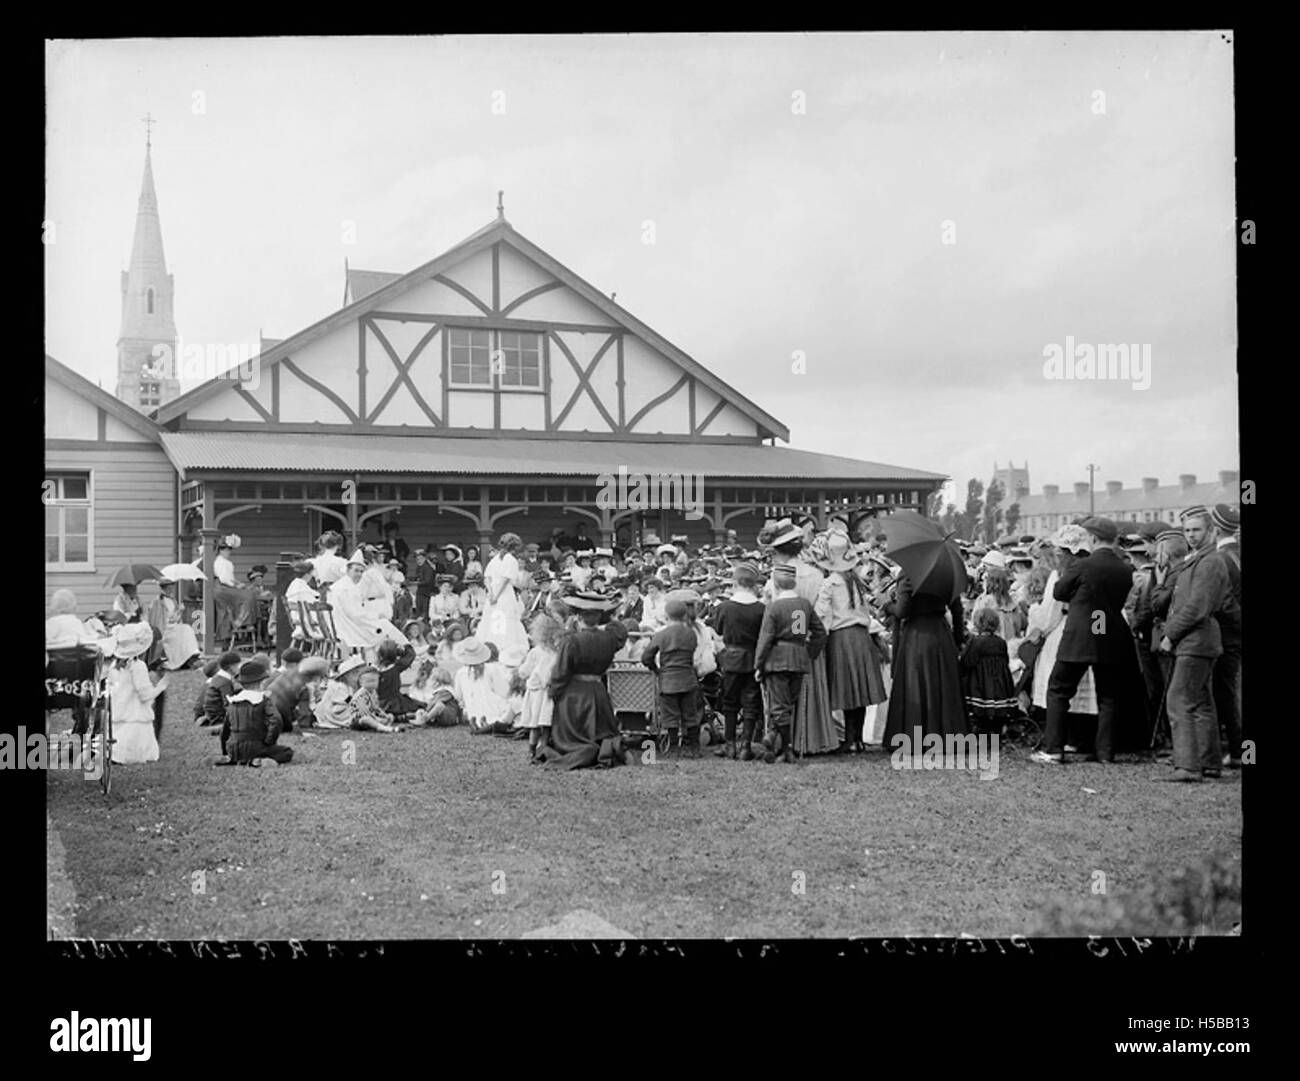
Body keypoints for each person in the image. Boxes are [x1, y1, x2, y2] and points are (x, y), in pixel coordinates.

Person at [1033, 517, 1138, 766]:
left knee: (1059, 689)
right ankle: (1105, 752)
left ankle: (1053, 748)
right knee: (1108, 695)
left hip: (1080, 634)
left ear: (1091, 538)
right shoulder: (1124, 569)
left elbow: (1059, 592)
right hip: (1107, 631)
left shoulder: (1083, 566)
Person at [1156, 506, 1231, 782]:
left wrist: (1170, 634)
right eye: (1187, 530)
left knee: (1179, 700)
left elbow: (1197, 607)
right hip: (1199, 640)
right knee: (1200, 702)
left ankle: (1188, 765)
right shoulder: (1199, 559)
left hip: (1195, 640)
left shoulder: (1210, 562)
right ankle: (1208, 762)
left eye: (1197, 529)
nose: (1191, 535)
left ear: (1211, 531)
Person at [763, 519, 838, 755]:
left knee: (781, 694)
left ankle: (781, 740)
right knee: (807, 689)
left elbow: (773, 610)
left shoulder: (778, 576)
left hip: (783, 643)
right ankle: (808, 739)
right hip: (808, 639)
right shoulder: (815, 574)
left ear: (777, 550)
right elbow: (821, 612)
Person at [810, 532, 888, 755]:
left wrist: (816, 638)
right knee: (859, 690)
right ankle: (858, 739)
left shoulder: (829, 584)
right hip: (861, 636)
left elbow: (823, 616)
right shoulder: (857, 582)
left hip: (841, 637)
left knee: (846, 689)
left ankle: (850, 739)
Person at [536, 592, 629, 770]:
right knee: (602, 731)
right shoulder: (608, 638)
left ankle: (580, 751)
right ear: (599, 618)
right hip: (598, 692)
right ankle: (607, 749)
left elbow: (561, 672)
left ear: (578, 616)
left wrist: (554, 692)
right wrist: (608, 614)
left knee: (574, 736)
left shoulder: (571, 641)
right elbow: (620, 632)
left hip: (574, 695)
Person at [1025, 529, 1098, 749]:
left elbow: (1051, 613)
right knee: (1088, 685)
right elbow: (1101, 610)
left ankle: (1059, 741)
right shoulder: (1098, 571)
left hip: (1066, 631)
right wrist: (1099, 631)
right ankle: (1084, 739)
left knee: (1058, 686)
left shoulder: (1061, 575)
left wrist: (1035, 618)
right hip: (1091, 631)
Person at [879, 566, 968, 746]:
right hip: (941, 634)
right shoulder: (947, 571)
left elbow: (903, 610)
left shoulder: (909, 572)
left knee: (916, 686)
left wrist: (887, 605)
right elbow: (957, 609)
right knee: (942, 687)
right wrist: (957, 640)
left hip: (917, 636)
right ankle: (946, 738)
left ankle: (915, 739)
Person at [755, 563, 828, 764]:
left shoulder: (773, 607)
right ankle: (775, 739)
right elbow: (820, 634)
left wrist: (759, 665)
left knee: (778, 706)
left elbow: (765, 638)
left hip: (777, 659)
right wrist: (809, 654)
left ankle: (784, 747)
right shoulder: (805, 604)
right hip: (798, 657)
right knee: (789, 704)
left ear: (776, 586)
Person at [708, 561, 766, 759]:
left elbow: (718, 631)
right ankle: (746, 746)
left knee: (729, 702)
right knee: (751, 703)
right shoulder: (761, 608)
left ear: (736, 583)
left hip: (731, 658)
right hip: (753, 658)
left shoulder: (724, 607)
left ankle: (730, 744)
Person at [642, 598, 703, 757]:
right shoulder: (691, 633)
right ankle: (695, 748)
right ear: (684, 615)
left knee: (670, 716)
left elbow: (646, 657)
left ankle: (674, 748)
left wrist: (656, 669)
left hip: (668, 679)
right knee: (690, 714)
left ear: (666, 615)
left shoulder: (661, 634)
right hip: (688, 678)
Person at [105, 622, 167, 764]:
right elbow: (145, 695)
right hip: (134, 715)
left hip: (118, 712)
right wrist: (160, 687)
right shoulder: (138, 666)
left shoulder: (114, 666)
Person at [215, 658, 294, 767]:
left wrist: (225, 750)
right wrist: (269, 742)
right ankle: (256, 761)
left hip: (233, 747)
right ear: (262, 682)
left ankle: (229, 758)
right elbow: (276, 720)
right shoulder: (263, 700)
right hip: (257, 746)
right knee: (286, 752)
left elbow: (225, 730)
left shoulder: (233, 701)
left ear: (242, 683)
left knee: (238, 752)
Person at [1210, 503, 1242, 769]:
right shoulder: (1237, 554)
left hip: (1228, 633)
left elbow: (1224, 600)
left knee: (1227, 692)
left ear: (1216, 529)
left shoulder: (1220, 559)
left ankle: (1237, 749)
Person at [961, 607, 1020, 735]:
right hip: (1000, 683)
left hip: (980, 683)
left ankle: (982, 733)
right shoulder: (1001, 642)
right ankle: (996, 732)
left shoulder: (975, 642)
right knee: (997, 713)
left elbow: (967, 661)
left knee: (980, 713)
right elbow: (1005, 660)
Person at [518, 614, 562, 761]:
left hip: (536, 691)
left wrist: (520, 670)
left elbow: (524, 671)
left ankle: (531, 748)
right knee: (546, 721)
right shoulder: (557, 653)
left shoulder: (535, 652)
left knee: (534, 723)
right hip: (548, 691)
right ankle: (543, 746)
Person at [480, 532, 531, 657]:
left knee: (495, 620)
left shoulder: (495, 559)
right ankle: (502, 648)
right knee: (502, 620)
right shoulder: (511, 560)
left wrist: (491, 593)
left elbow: (487, 578)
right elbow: (505, 580)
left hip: (493, 594)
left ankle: (495, 648)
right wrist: (495, 596)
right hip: (503, 595)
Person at [452, 636, 508, 731]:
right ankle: (489, 723)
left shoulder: (461, 672)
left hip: (471, 710)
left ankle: (477, 721)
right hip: (493, 709)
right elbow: (504, 692)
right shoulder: (491, 669)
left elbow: (458, 696)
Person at [146, 580, 201, 670]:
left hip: (173, 626)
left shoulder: (173, 600)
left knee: (187, 629)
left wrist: (179, 611)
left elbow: (175, 618)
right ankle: (185, 658)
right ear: (164, 588)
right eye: (169, 587)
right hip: (164, 629)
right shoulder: (157, 602)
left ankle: (191, 655)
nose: (170, 589)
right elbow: (156, 620)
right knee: (185, 630)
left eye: (171, 587)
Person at [376, 640, 427, 725]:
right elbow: (411, 655)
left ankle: (399, 716)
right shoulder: (396, 666)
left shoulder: (376, 669)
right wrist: (405, 648)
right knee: (422, 706)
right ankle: (404, 716)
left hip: (381, 702)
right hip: (395, 701)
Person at [198, 650, 243, 728]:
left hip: (213, 715)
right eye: (237, 665)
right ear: (232, 667)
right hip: (219, 718)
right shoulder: (224, 682)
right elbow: (228, 703)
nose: (239, 668)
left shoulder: (219, 678)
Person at [412, 549, 438, 617]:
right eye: (417, 559)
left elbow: (427, 581)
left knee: (424, 612)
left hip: (426, 593)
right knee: (419, 611)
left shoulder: (428, 568)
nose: (419, 561)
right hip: (420, 593)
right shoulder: (418, 568)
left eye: (420, 559)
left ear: (424, 558)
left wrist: (416, 583)